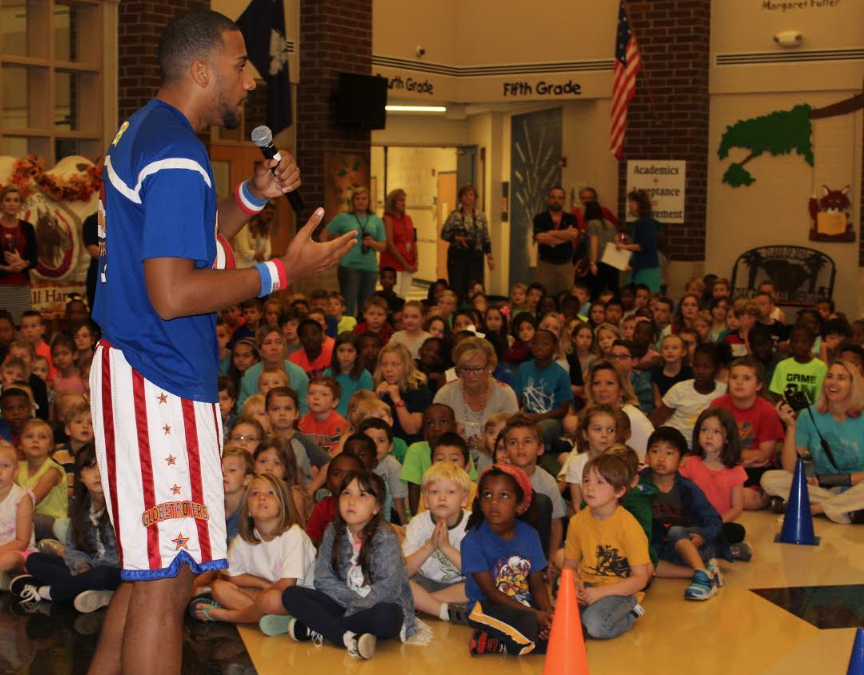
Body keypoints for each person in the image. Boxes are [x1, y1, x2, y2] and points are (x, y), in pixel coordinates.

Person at [86, 11, 357, 675]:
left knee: (159, 573)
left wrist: (252, 195)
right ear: (202, 70)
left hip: (151, 375)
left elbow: (183, 235)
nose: (251, 78)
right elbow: (174, 292)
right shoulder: (176, 151)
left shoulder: (150, 129)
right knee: (163, 582)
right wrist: (283, 273)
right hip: (156, 376)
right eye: (240, 64)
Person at [280, 470, 420, 659]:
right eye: (346, 493)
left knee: (387, 617)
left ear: (376, 507)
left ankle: (322, 627)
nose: (352, 501)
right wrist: (351, 602)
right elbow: (322, 577)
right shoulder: (332, 531)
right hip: (342, 601)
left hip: (376, 605)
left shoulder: (385, 537)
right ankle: (344, 636)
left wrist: (357, 606)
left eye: (362, 495)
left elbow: (388, 588)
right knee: (291, 594)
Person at [189, 473, 315, 627]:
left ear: (283, 506)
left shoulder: (293, 535)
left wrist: (264, 594)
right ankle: (268, 618)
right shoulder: (242, 539)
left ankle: (229, 616)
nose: (262, 497)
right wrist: (262, 585)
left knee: (272, 599)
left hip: (296, 599)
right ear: (248, 509)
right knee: (219, 588)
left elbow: (287, 585)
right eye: (255, 493)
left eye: (270, 493)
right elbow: (232, 576)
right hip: (266, 595)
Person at [11, 443, 121, 613]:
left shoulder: (121, 509)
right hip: (87, 570)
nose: (98, 474)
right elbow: (73, 547)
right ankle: (99, 594)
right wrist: (81, 567)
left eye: (103, 468)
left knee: (102, 575)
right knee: (34, 560)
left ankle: (46, 592)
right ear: (81, 477)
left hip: (112, 572)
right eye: (90, 468)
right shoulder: (79, 507)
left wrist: (89, 573)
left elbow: (120, 557)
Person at [461, 464, 553, 656]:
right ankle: (508, 641)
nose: (494, 502)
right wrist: (535, 616)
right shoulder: (473, 541)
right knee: (528, 626)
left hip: (523, 605)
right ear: (479, 500)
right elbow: (491, 593)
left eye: (504, 496)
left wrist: (549, 616)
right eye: (487, 495)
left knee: (575, 628)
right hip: (486, 607)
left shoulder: (530, 535)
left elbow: (537, 585)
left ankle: (499, 641)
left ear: (520, 505)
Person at [762, 361, 864, 524]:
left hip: (858, 487)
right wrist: (791, 426)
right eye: (829, 376)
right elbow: (790, 470)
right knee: (769, 479)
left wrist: (851, 480)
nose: (833, 382)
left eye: (841, 378)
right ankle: (843, 507)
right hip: (821, 488)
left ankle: (813, 509)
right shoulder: (809, 415)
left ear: (854, 385)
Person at [562, 453, 650, 639]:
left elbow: (640, 579)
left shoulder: (629, 527)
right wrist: (576, 583)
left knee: (593, 626)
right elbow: (569, 566)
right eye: (586, 480)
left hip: (620, 590)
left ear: (618, 491)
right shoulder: (577, 521)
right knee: (559, 620)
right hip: (587, 586)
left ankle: (630, 613)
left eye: (600, 482)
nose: (589, 487)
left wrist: (600, 592)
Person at [641, 427, 728, 600]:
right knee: (643, 562)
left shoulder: (688, 488)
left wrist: (702, 536)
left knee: (676, 531)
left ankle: (703, 579)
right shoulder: (637, 484)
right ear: (646, 456)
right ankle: (702, 572)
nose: (661, 458)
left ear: (682, 460)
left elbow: (714, 520)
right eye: (655, 451)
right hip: (661, 549)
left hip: (691, 545)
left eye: (669, 453)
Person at [402, 461, 472, 623]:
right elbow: (404, 571)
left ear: (464, 499)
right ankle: (438, 608)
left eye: (450, 492)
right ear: (425, 500)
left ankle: (425, 603)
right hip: (423, 581)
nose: (442, 497)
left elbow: (474, 572)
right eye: (434, 492)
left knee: (476, 587)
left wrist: (445, 547)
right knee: (398, 582)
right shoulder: (418, 523)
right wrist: (431, 545)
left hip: (456, 586)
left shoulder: (472, 524)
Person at [680, 407, 752, 560]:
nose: (708, 436)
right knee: (680, 532)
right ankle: (725, 551)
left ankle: (706, 550)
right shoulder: (689, 463)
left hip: (719, 523)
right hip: (694, 522)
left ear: (727, 438)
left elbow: (737, 506)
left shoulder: (735, 469)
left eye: (716, 432)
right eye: (704, 430)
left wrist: (716, 523)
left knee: (737, 531)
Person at [433, 337, 519, 452]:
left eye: (477, 369)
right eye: (465, 369)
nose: (471, 374)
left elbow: (514, 439)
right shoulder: (445, 394)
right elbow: (434, 437)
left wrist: (489, 447)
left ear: (490, 367)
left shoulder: (505, 394)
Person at [322, 187, 387, 317]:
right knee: (348, 304)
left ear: (369, 201)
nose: (361, 202)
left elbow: (383, 245)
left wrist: (373, 244)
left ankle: (364, 332)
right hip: (349, 265)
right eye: (357, 199)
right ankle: (348, 333)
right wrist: (333, 253)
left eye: (364, 199)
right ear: (352, 201)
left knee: (367, 306)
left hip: (370, 267)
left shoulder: (375, 220)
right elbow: (324, 235)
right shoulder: (343, 217)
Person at [441, 184, 494, 303]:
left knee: (475, 286)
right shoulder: (454, 215)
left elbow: (485, 237)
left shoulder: (481, 215)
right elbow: (444, 234)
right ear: (460, 198)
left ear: (475, 197)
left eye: (471, 194)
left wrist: (489, 256)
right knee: (458, 286)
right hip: (458, 255)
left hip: (476, 256)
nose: (469, 197)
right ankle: (458, 311)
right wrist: (457, 239)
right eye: (465, 195)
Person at [374, 342, 433, 445]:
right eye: (384, 364)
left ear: (406, 366)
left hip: (410, 447)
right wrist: (376, 400)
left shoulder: (419, 390)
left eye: (395, 364)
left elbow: (412, 430)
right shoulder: (380, 388)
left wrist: (397, 400)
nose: (388, 369)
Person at [532, 186, 580, 296]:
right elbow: (540, 238)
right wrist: (565, 235)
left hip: (566, 265)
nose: (556, 200)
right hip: (546, 265)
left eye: (560, 198)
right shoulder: (540, 218)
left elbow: (574, 234)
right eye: (553, 197)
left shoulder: (570, 217)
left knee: (567, 297)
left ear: (564, 200)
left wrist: (551, 233)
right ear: (548, 199)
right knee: (545, 297)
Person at [0, 186, 37, 325]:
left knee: (22, 328)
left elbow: (34, 260)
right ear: (1, 203)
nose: (11, 204)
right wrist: (6, 268)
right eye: (8, 200)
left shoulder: (27, 228)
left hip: (21, 287)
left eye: (16, 200)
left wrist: (23, 263)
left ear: (20, 204)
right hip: (1, 286)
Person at [0, 440, 36, 580]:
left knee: (10, 559)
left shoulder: (21, 498)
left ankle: (8, 575)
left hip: (20, 551)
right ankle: (4, 577)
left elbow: (22, 541)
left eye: (5, 466)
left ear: (16, 470)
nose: (0, 471)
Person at [617, 189, 660, 293]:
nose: (629, 205)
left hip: (646, 268)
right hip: (641, 266)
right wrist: (624, 238)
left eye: (631, 202)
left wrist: (624, 247)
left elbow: (642, 245)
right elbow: (638, 241)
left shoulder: (644, 223)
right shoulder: (641, 222)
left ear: (639, 204)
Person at [380, 188, 417, 298]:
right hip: (393, 263)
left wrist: (415, 261)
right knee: (393, 295)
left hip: (408, 262)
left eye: (404, 200)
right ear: (393, 202)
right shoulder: (387, 219)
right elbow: (390, 244)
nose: (403, 203)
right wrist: (404, 264)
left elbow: (413, 241)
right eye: (400, 200)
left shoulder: (408, 218)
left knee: (402, 296)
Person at [585, 199, 621, 298]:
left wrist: (593, 262)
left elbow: (594, 243)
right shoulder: (610, 224)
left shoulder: (591, 224)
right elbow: (616, 241)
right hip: (612, 261)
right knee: (613, 290)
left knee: (596, 292)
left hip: (600, 262)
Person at [233, 201, 274, 268]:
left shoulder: (265, 229)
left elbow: (268, 253)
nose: (269, 217)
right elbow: (246, 253)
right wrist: (260, 253)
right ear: (259, 212)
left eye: (271, 214)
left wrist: (256, 255)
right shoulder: (243, 226)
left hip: (258, 269)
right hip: (241, 268)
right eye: (267, 213)